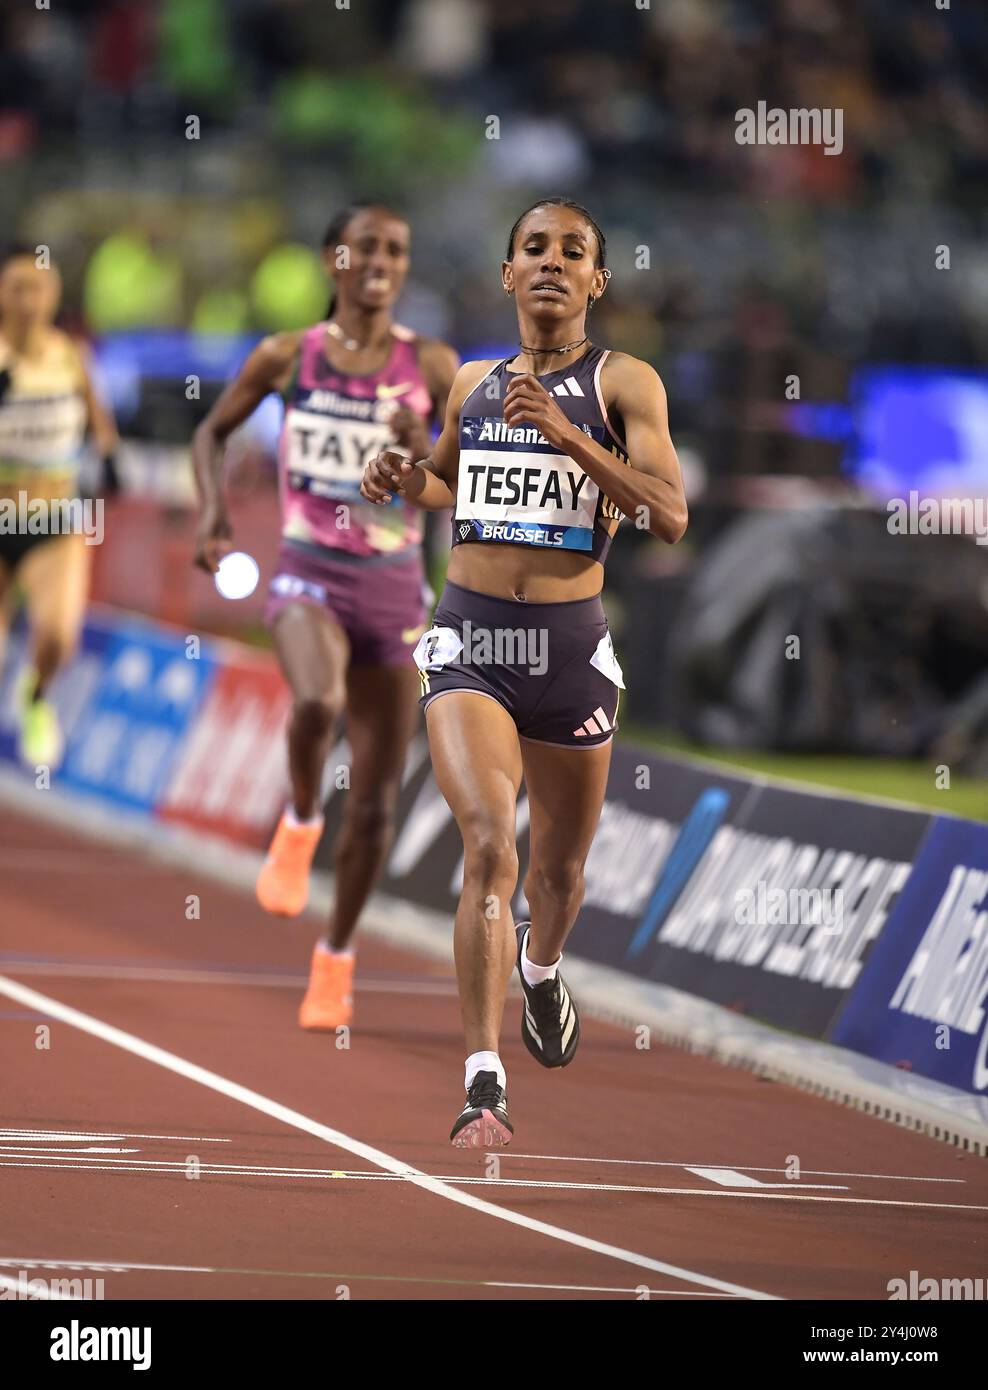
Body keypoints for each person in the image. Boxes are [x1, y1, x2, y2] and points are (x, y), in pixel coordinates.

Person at [361, 197, 687, 1146]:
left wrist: (571, 435)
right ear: (508, 275)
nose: (551, 262)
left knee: (560, 872)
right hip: (471, 640)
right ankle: (482, 1077)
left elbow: (670, 516)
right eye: (533, 249)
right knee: (487, 849)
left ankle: (542, 970)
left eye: (572, 251)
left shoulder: (626, 383)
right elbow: (449, 485)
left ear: (598, 280)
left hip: (570, 651)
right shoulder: (471, 382)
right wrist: (399, 474)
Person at [193, 204, 459, 1032]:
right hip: (310, 568)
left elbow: (469, 469)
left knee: (378, 801)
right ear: (333, 259)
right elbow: (211, 432)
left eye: (397, 249)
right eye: (368, 246)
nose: (382, 260)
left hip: (393, 589)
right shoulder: (288, 355)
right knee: (316, 702)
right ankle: (302, 816)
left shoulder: (435, 364)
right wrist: (212, 514)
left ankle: (335, 957)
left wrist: (427, 445)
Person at [0, 244, 119, 768]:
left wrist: (110, 460)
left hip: (54, 518)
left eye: (40, 287)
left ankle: (36, 696)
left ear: (55, 294)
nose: (30, 300)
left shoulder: (71, 354)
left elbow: (99, 419)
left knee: (57, 637)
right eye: (18, 288)